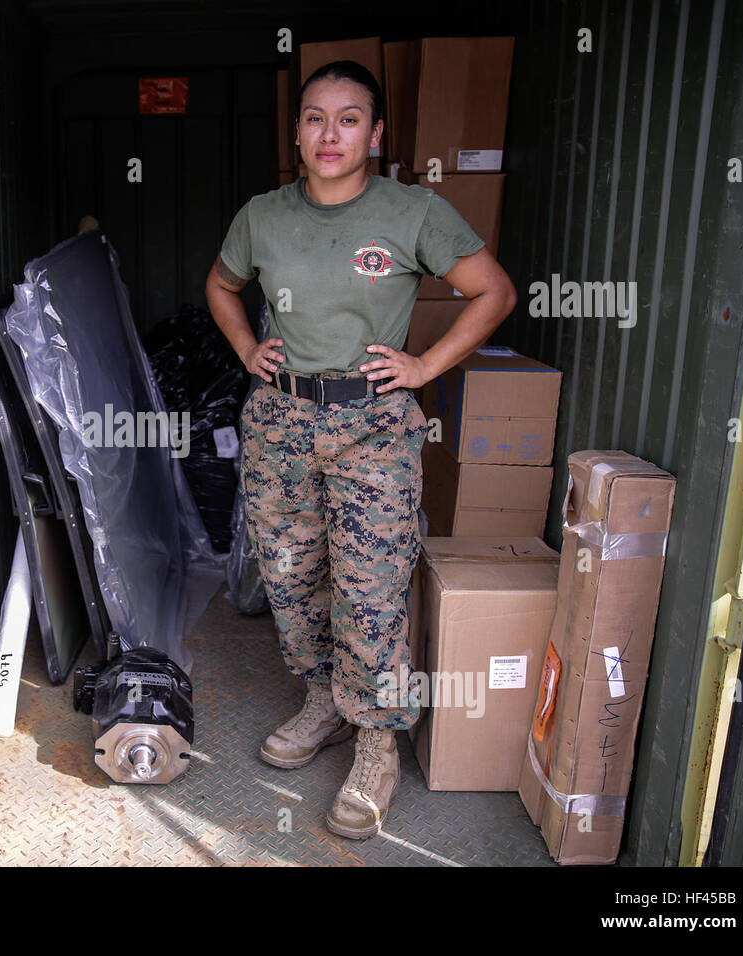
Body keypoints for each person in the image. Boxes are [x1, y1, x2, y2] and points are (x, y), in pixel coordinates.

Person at [204, 60, 516, 840]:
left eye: (349, 119)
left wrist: (424, 367)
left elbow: (495, 292)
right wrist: (248, 348)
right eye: (314, 117)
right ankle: (324, 703)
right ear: (298, 131)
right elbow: (219, 284)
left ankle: (377, 740)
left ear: (375, 134)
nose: (329, 133)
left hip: (372, 424)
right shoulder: (262, 216)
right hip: (279, 423)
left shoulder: (413, 212)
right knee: (290, 574)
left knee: (370, 587)